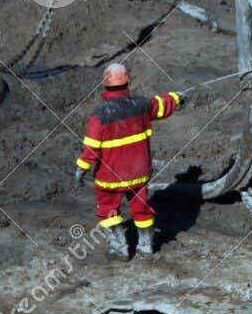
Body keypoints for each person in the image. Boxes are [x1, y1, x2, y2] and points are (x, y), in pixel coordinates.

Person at [75, 63, 186, 260]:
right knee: (141, 208)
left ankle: (120, 248)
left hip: (111, 176)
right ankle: (145, 247)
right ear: (127, 81)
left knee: (108, 209)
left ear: (105, 83)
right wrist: (177, 97)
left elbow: (91, 148)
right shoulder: (141, 105)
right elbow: (161, 104)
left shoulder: (100, 115)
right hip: (139, 173)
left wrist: (82, 168)